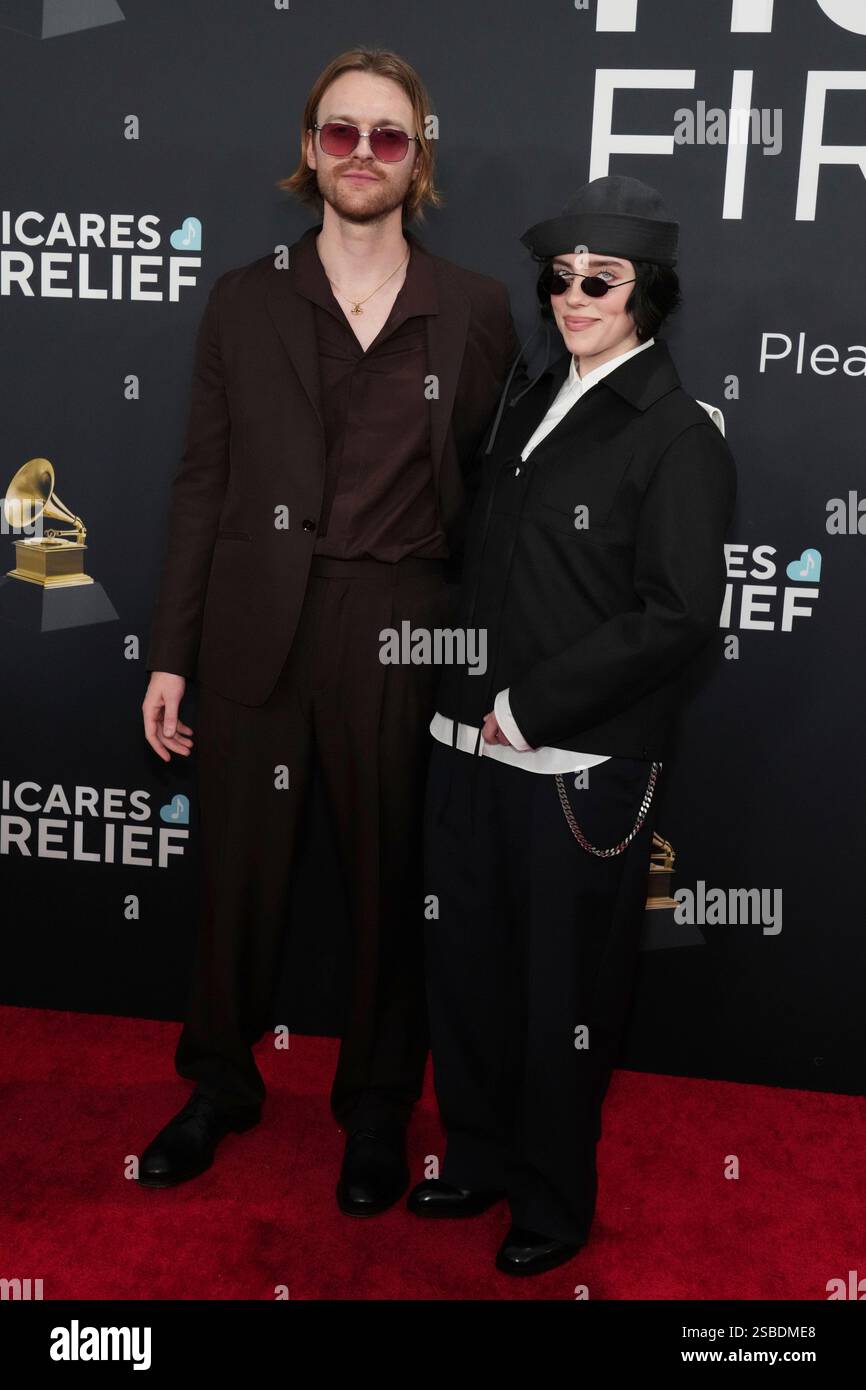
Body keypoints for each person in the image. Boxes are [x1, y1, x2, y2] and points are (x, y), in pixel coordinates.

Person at [137, 47, 519, 1216]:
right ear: (310, 150)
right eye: (341, 132)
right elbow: (203, 482)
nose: (363, 154)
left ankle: (372, 1113)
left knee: (388, 888)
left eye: (388, 137)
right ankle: (218, 1086)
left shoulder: (478, 310)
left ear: (417, 160)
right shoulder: (246, 296)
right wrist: (170, 650)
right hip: (257, 629)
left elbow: (492, 499)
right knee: (238, 884)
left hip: (400, 630)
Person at [407, 175, 737, 1274]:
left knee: (563, 999)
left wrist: (526, 707)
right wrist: (461, 702)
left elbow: (680, 613)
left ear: (651, 293)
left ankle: (549, 1199)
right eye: (560, 275)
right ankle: (478, 1155)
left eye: (603, 278)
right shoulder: (526, 393)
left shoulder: (677, 432)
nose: (575, 293)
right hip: (465, 746)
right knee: (464, 973)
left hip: (571, 768)